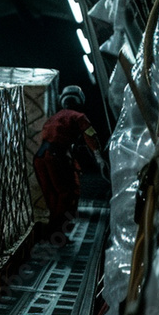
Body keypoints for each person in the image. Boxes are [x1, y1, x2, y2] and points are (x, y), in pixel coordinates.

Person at [33, 85, 106, 240]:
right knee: (66, 195)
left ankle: (49, 231)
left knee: (52, 196)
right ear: (79, 100)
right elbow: (90, 134)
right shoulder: (79, 117)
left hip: (40, 157)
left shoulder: (54, 117)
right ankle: (56, 232)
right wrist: (98, 156)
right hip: (55, 157)